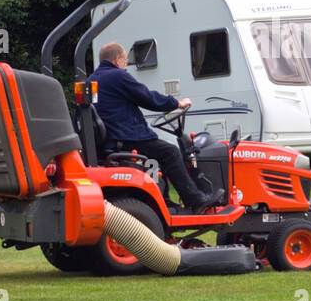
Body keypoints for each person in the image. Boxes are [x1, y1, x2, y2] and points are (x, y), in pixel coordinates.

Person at [88, 42, 225, 212]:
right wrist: (177, 103)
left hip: (109, 140)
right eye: (125, 61)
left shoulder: (92, 80)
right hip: (125, 137)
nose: (126, 66)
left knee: (159, 155)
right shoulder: (117, 76)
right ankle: (195, 199)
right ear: (117, 60)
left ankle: (165, 201)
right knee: (170, 152)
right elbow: (147, 97)